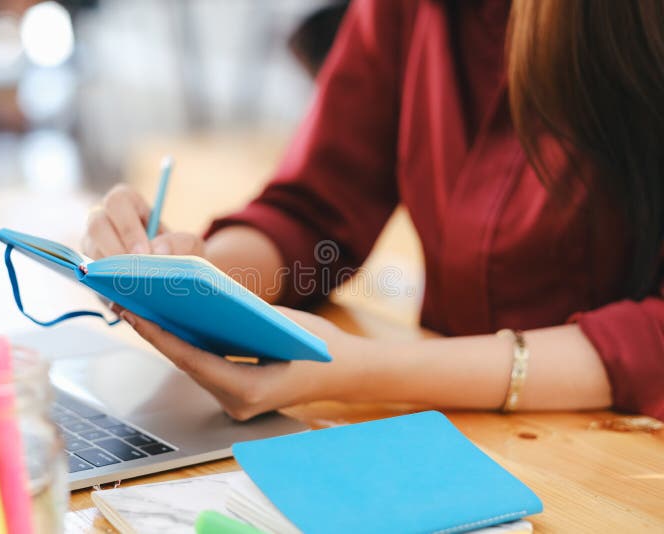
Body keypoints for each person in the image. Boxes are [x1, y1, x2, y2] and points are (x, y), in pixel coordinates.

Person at [83, 0, 664, 422]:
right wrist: (193, 277)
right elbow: (315, 209)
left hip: (618, 457)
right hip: (455, 434)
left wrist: (365, 370)